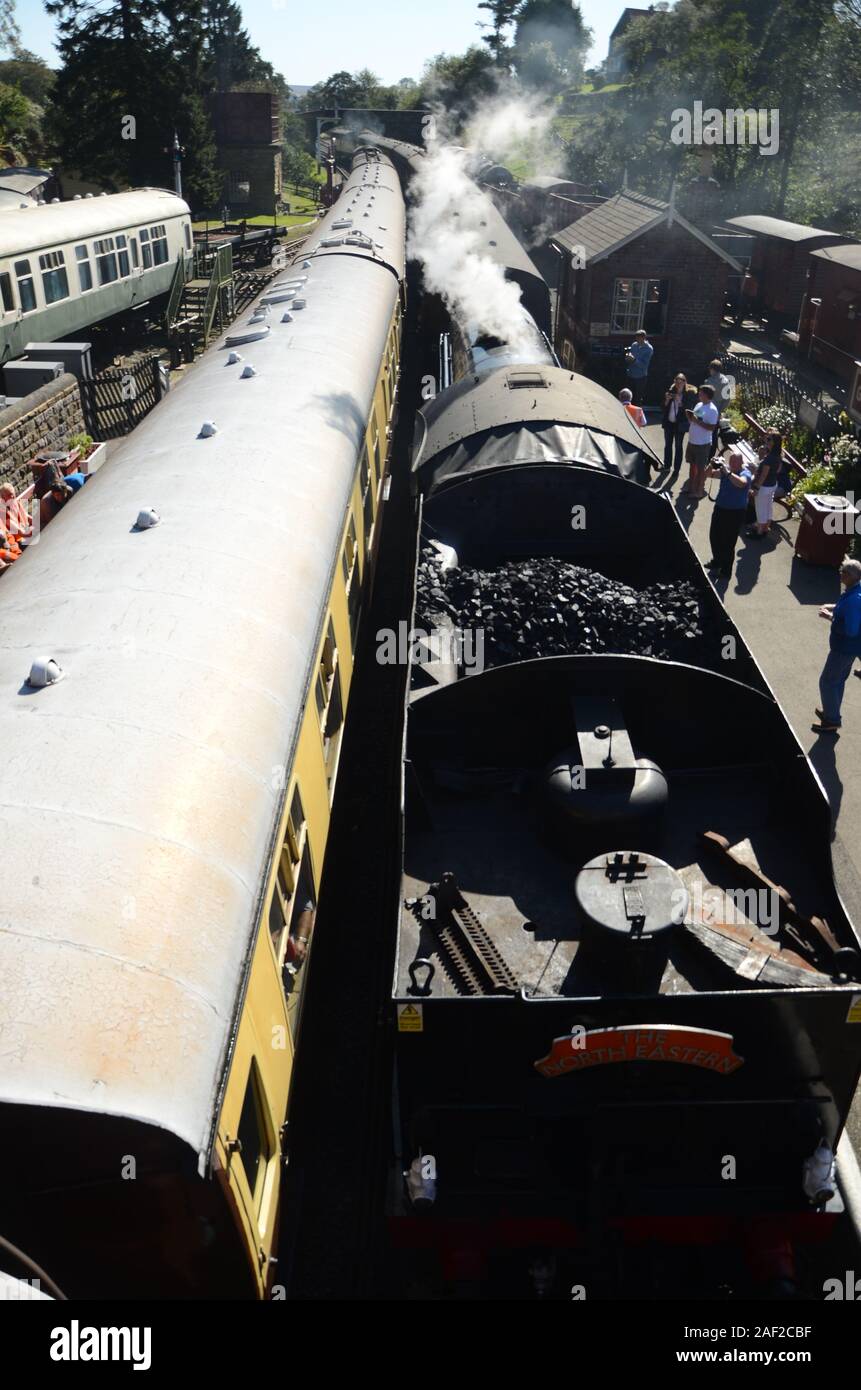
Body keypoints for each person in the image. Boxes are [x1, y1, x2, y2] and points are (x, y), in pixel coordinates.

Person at [813, 558, 861, 733]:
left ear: (849, 576)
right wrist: (832, 607)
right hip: (850, 649)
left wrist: (829, 617)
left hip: (843, 649)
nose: (840, 574)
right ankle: (831, 711)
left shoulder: (853, 600)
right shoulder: (855, 591)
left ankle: (832, 720)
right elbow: (845, 606)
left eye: (843, 572)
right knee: (837, 681)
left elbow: (850, 630)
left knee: (827, 682)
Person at [705, 451, 752, 578]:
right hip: (720, 508)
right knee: (714, 536)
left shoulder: (745, 473)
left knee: (728, 542)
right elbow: (708, 474)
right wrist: (711, 464)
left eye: (735, 462)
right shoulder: (726, 471)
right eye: (731, 461)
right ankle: (716, 561)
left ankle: (726, 571)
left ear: (741, 462)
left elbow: (741, 483)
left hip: (735, 513)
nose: (732, 464)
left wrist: (728, 473)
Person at [681, 384, 720, 500]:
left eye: (701, 393)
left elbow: (712, 428)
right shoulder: (699, 405)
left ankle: (699, 491)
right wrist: (690, 417)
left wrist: (695, 421)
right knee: (692, 466)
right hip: (693, 441)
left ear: (707, 395)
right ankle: (691, 488)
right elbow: (696, 420)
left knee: (700, 468)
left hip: (703, 444)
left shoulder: (712, 410)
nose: (699, 394)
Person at [747, 430, 782, 537]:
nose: (766, 440)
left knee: (760, 509)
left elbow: (763, 475)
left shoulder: (769, 458)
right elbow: (778, 470)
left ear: (773, 442)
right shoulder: (778, 455)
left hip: (764, 487)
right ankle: (766, 527)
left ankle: (759, 532)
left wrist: (756, 487)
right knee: (768, 507)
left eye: (769, 439)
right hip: (772, 484)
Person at [661, 373, 694, 474]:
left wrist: (680, 403)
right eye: (677, 382)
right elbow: (662, 408)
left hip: (679, 425)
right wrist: (667, 400)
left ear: (685, 382)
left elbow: (689, 410)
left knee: (678, 447)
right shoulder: (670, 391)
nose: (679, 384)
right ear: (674, 382)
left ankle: (676, 469)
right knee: (668, 445)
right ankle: (667, 466)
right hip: (669, 423)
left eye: (681, 382)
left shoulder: (688, 394)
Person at [706, 358, 733, 453]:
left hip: (708, 411)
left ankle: (706, 454)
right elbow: (727, 399)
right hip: (717, 411)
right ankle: (712, 456)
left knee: (707, 433)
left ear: (712, 369)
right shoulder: (725, 381)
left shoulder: (708, 382)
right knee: (714, 434)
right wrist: (720, 410)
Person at [624, 329, 653, 406]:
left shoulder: (649, 349)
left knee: (637, 398)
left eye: (639, 338)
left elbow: (644, 365)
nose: (637, 340)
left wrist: (634, 360)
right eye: (636, 338)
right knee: (628, 396)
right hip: (630, 374)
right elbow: (630, 355)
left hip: (640, 377)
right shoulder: (634, 345)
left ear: (643, 338)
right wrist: (628, 358)